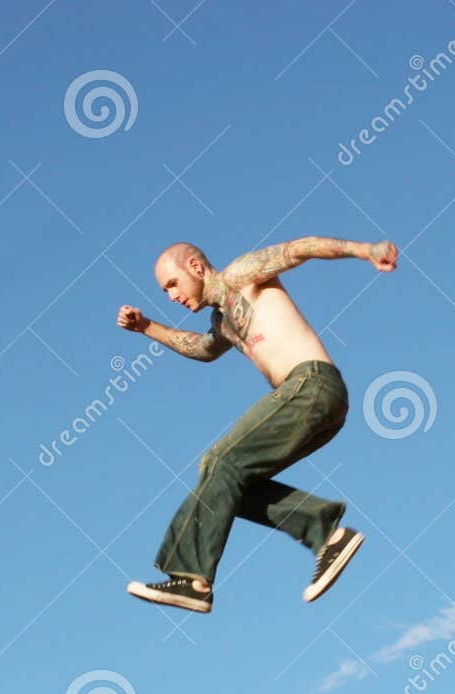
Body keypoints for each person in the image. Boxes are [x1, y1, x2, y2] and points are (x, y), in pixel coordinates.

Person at [116, 236, 397, 614]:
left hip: (311, 384)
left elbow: (301, 249)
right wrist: (147, 326)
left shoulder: (242, 274)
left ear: (196, 268)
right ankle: (326, 533)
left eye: (172, 284)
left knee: (219, 461)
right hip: (317, 407)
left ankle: (191, 578)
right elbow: (200, 349)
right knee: (227, 484)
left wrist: (365, 251)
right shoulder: (221, 321)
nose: (171, 296)